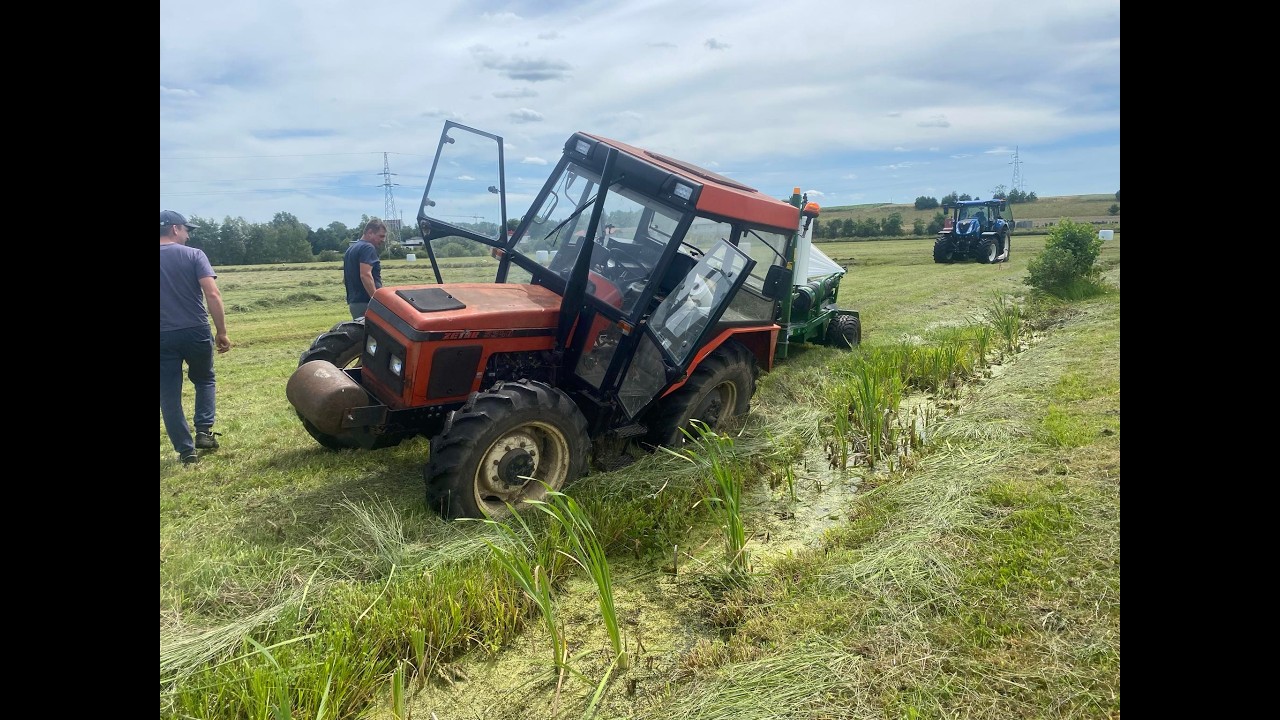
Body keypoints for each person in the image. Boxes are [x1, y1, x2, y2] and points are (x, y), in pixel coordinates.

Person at [160, 210, 231, 466]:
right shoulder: (194, 255)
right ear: (175, 228)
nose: (188, 235)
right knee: (204, 379)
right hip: (195, 330)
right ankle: (204, 431)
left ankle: (186, 452)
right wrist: (221, 331)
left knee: (168, 394)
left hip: (162, 336)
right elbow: (212, 294)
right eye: (187, 230)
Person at [344, 219, 388, 319]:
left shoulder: (351, 249)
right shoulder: (368, 248)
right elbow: (365, 275)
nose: (383, 240)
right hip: (366, 303)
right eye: (381, 236)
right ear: (370, 233)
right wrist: (376, 301)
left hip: (355, 302)